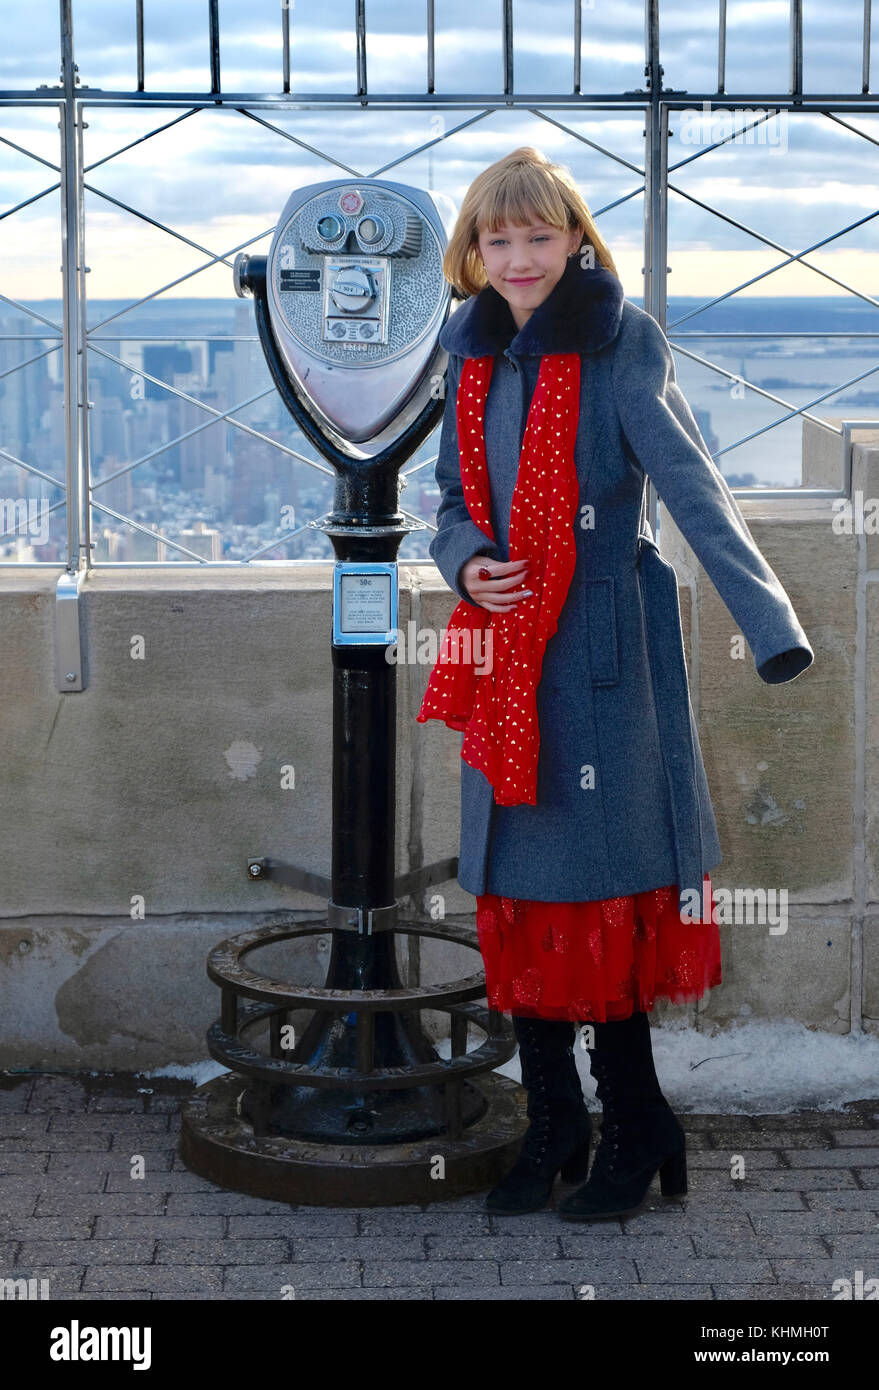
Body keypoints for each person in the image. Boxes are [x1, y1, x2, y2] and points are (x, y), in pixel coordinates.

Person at [416, 147, 813, 1220]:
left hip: (599, 662)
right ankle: (556, 1128)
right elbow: (450, 497)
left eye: (539, 236)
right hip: (504, 657)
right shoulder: (472, 355)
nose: (519, 256)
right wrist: (467, 561)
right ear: (473, 251)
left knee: (596, 906)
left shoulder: (621, 340)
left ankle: (637, 1126)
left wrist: (768, 621)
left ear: (577, 239)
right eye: (498, 239)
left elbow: (691, 481)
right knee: (522, 904)